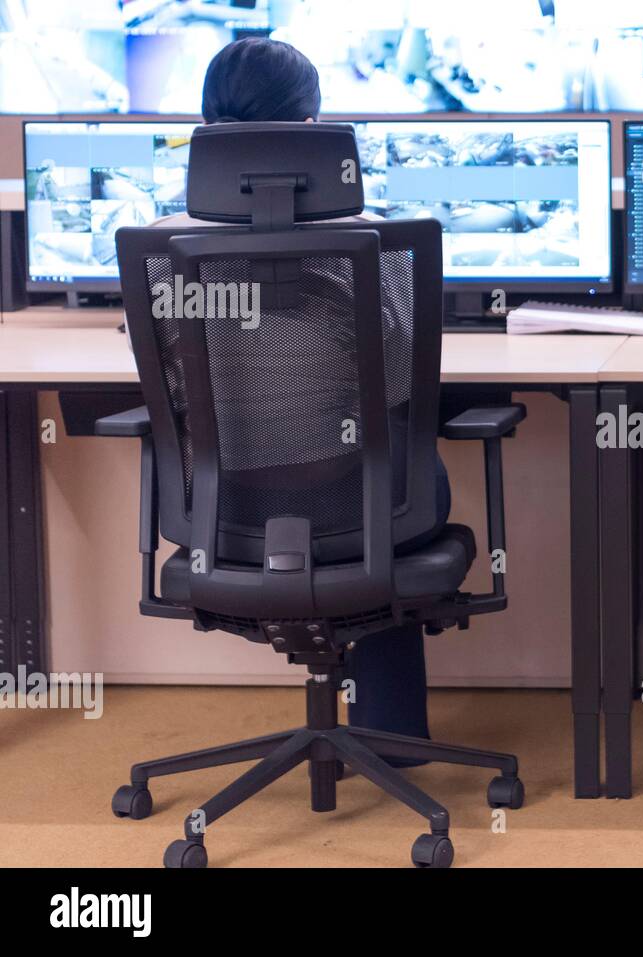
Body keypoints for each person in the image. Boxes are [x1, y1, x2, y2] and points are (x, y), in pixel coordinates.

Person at [149, 37, 447, 761]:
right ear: (314, 131)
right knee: (383, 471)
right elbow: (401, 379)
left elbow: (172, 381)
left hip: (225, 513)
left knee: (366, 473)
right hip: (361, 511)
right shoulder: (371, 245)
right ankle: (395, 734)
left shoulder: (162, 247)